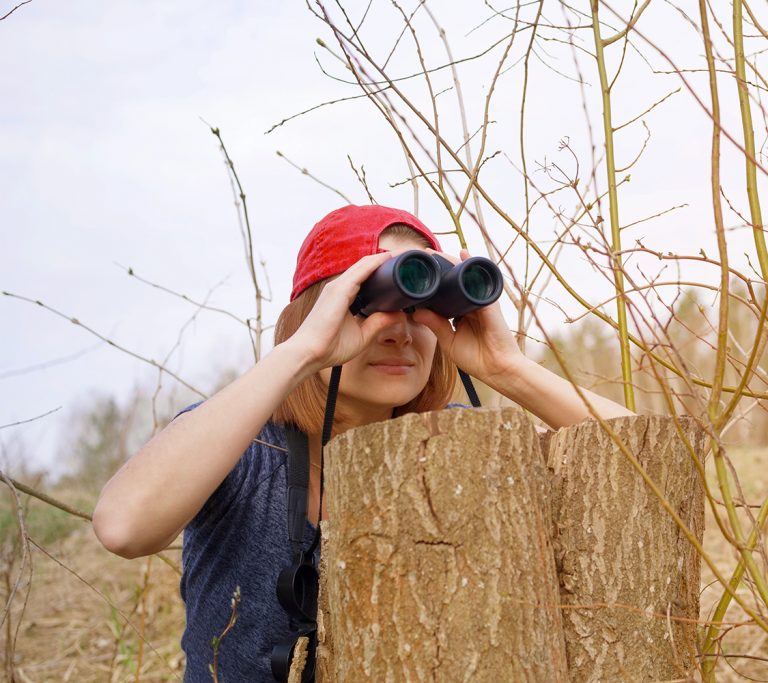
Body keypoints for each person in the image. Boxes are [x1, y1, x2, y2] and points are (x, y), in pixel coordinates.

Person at [92, 204, 633, 681]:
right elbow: (123, 526)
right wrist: (302, 353)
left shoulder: (462, 444)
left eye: (423, 309)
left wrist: (508, 369)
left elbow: (645, 468)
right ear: (318, 315)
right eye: (373, 302)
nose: (399, 331)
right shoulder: (243, 446)